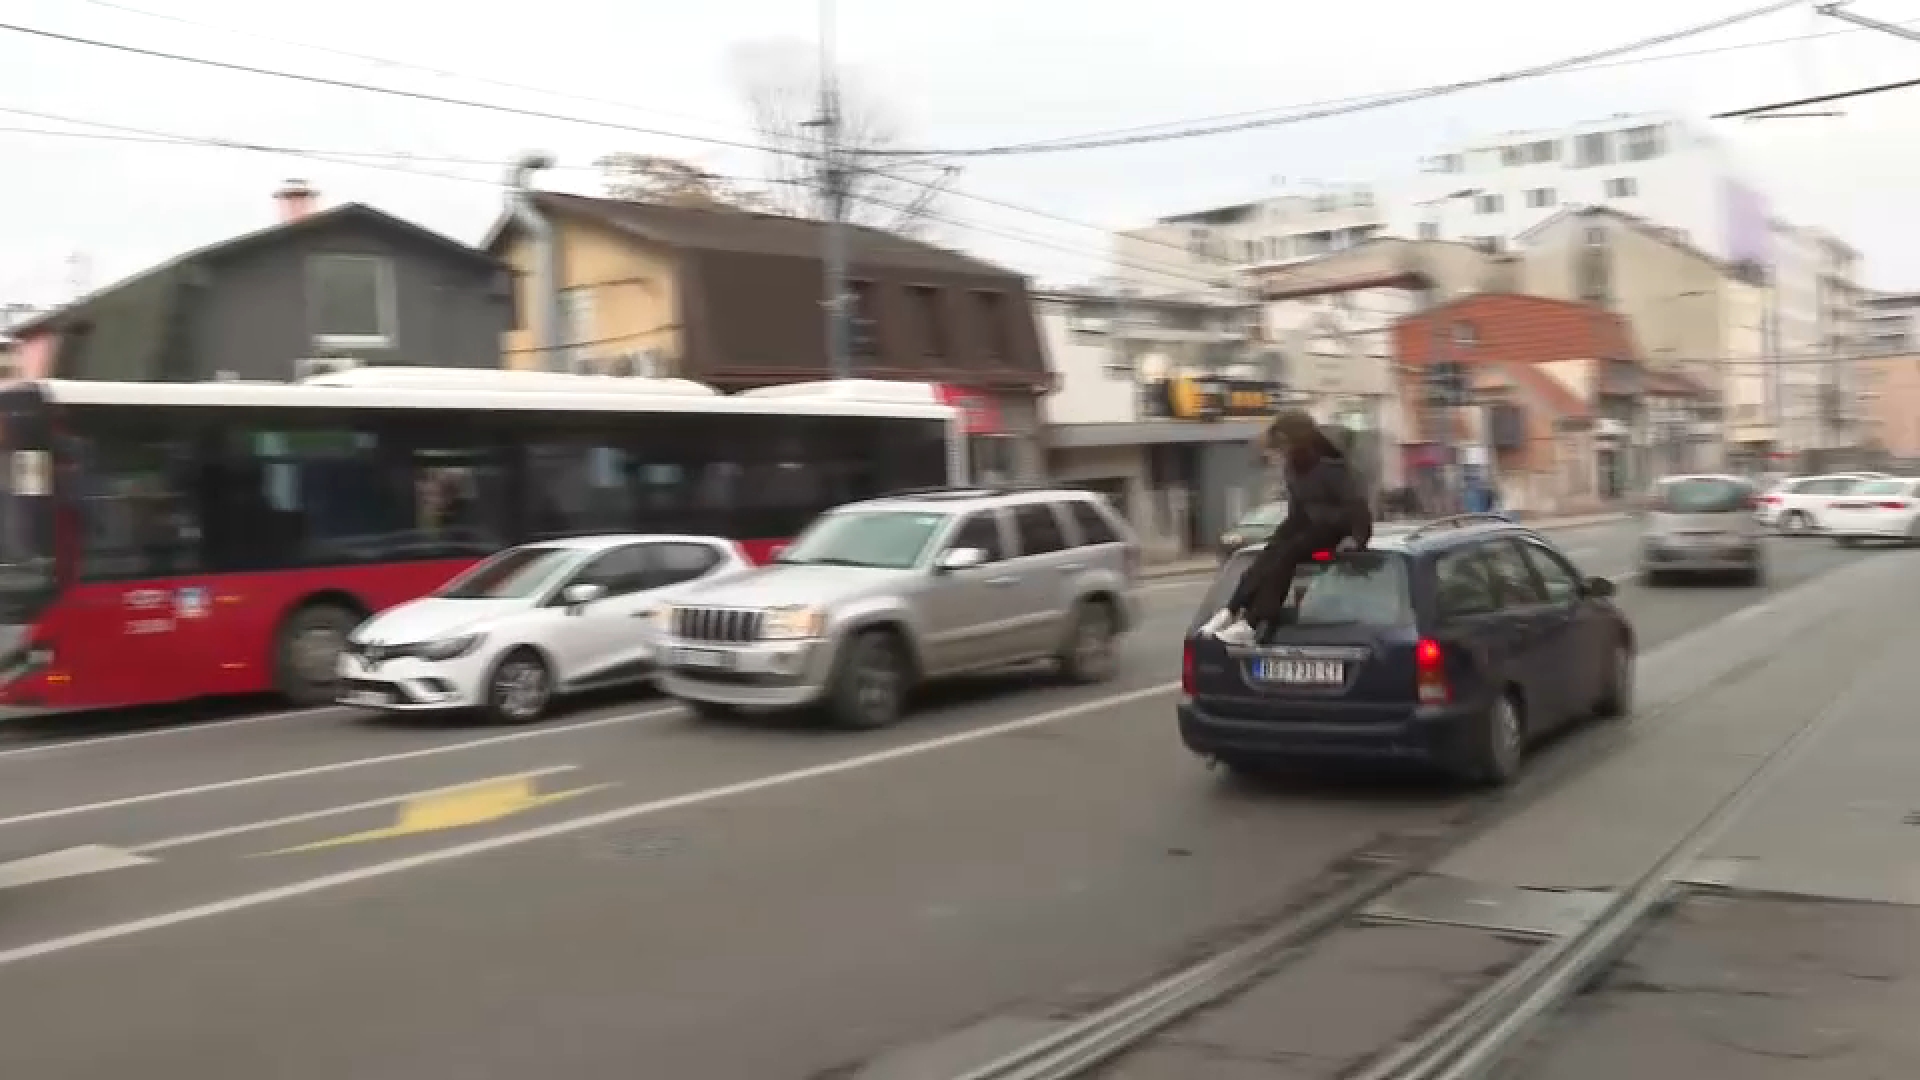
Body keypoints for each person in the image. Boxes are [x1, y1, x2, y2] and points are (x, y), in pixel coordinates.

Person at [1201, 409, 1373, 645]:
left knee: (1288, 553)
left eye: (1285, 444)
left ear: (1299, 441)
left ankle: (1252, 624)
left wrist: (1357, 539)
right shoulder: (1293, 468)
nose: (1282, 451)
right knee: (1271, 551)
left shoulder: (1333, 467)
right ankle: (1231, 610)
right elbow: (1297, 512)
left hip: (1336, 528)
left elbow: (1358, 508)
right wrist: (1280, 535)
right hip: (1308, 523)